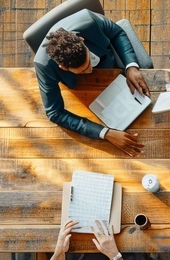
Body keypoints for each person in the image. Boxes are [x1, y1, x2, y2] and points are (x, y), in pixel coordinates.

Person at [33, 9, 150, 156]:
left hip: (111, 67)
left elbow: (117, 33)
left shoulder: (88, 19)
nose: (89, 70)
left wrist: (131, 66)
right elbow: (54, 113)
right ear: (63, 68)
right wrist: (105, 133)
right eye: (82, 71)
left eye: (89, 62)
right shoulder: (43, 66)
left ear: (81, 40)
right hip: (83, 92)